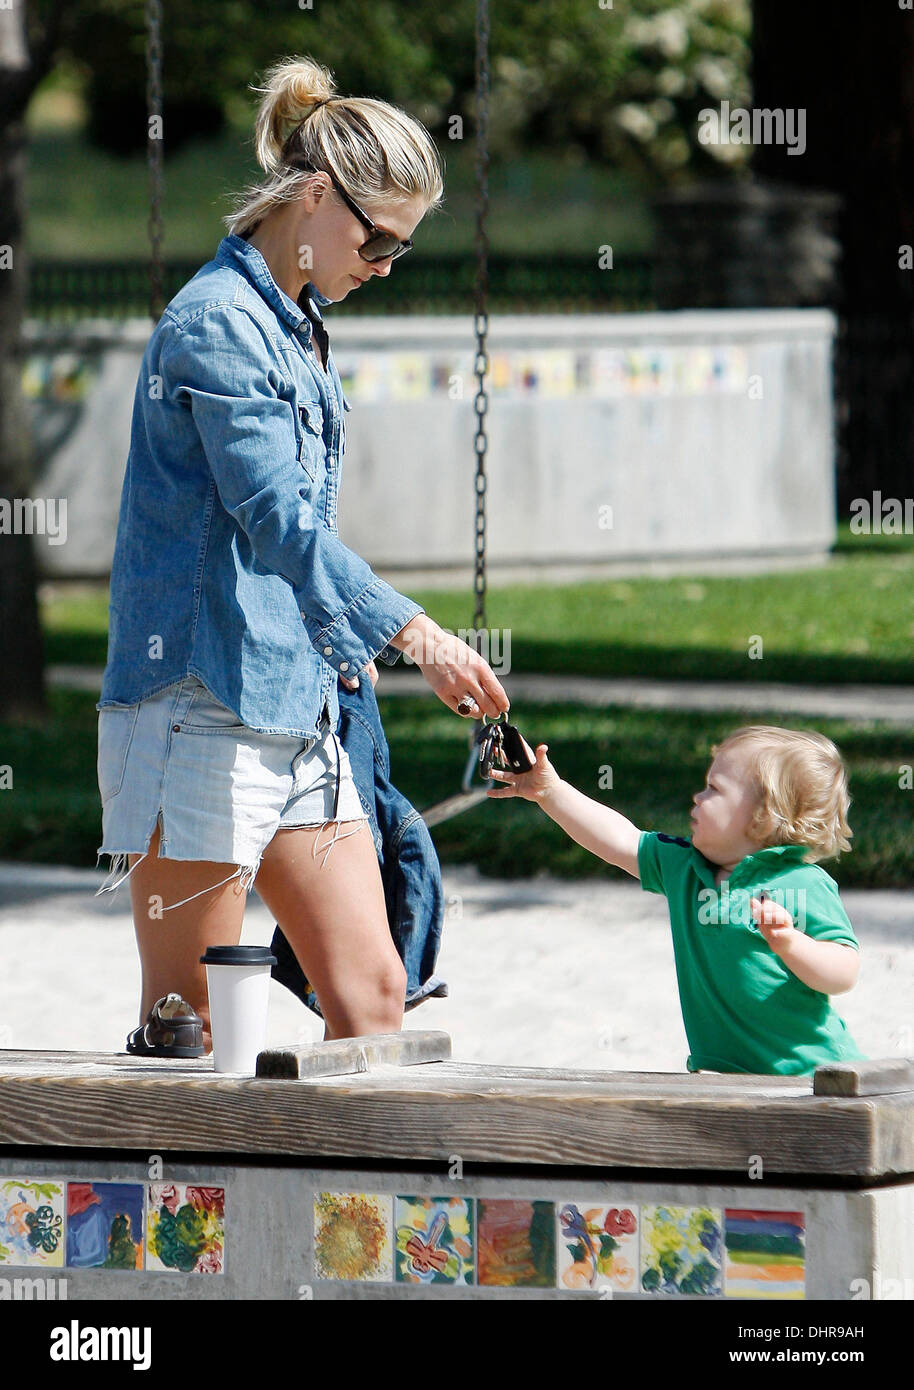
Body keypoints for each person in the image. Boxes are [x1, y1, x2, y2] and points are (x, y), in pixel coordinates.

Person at [95, 54, 507, 1052]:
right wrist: (415, 634)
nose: (386, 264)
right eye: (379, 239)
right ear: (315, 195)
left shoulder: (299, 326)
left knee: (371, 1000)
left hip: (300, 703)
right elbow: (278, 518)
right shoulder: (216, 324)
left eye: (402, 245)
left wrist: (343, 645)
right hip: (197, 703)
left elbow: (288, 539)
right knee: (189, 1024)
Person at [488, 723, 866, 1075]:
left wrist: (792, 944)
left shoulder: (799, 882)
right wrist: (551, 792)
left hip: (812, 1077)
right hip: (725, 1077)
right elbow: (620, 839)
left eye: (714, 789)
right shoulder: (685, 868)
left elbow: (843, 971)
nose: (698, 797)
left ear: (764, 815)